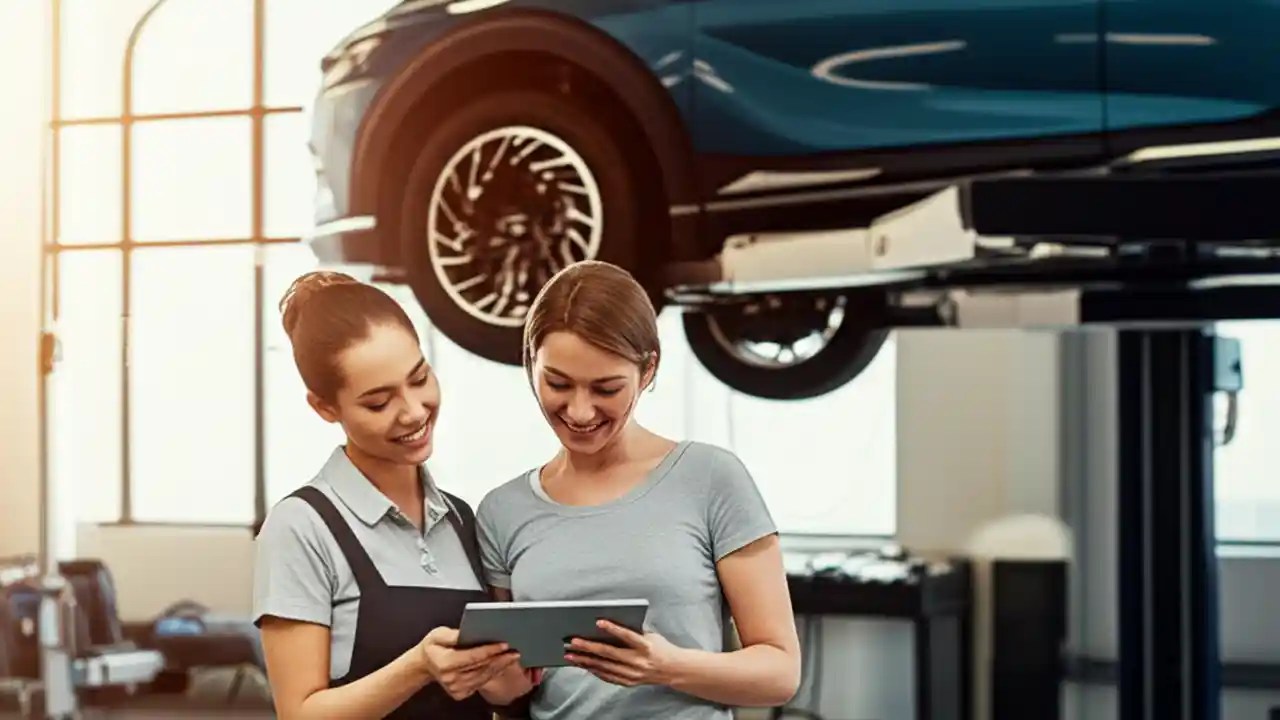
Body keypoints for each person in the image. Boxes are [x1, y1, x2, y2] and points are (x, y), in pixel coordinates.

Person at [475, 261, 803, 719]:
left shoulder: (711, 478)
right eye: (558, 383)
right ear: (531, 364)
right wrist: (497, 684)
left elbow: (780, 674)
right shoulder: (502, 511)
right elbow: (508, 694)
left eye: (606, 388)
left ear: (648, 370)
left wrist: (666, 666)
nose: (580, 411)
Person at [252, 271, 538, 719]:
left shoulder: (461, 518)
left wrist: (506, 681)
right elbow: (299, 713)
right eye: (378, 402)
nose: (414, 412)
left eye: (419, 378)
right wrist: (419, 666)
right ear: (325, 407)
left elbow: (496, 695)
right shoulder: (301, 527)